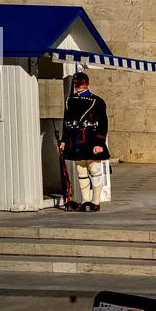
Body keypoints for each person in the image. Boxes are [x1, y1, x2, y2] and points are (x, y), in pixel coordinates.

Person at [58, 71, 110, 212]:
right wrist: (63, 140)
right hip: (75, 138)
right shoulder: (70, 100)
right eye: (76, 84)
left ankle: (95, 201)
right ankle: (86, 200)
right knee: (81, 170)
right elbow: (67, 121)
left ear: (86, 84)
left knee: (94, 169)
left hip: (91, 139)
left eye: (80, 84)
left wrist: (100, 143)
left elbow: (103, 123)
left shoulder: (96, 101)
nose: (78, 86)